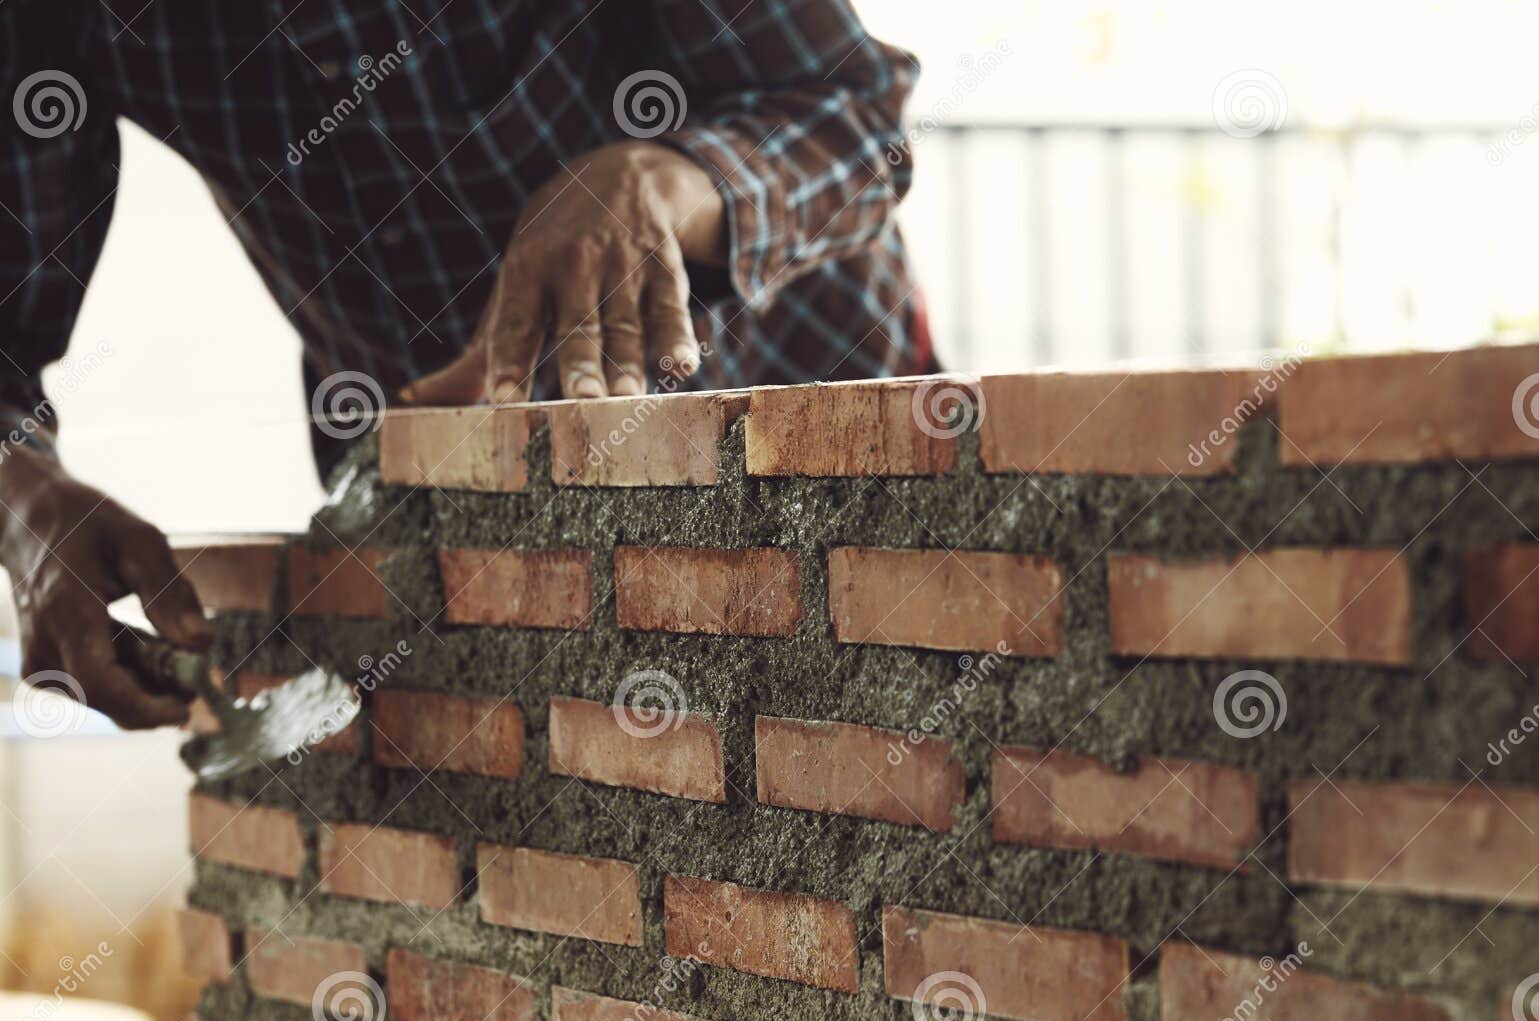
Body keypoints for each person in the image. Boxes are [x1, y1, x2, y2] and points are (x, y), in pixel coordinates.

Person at [0, 1, 930, 729]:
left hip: (811, 437)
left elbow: (855, 114)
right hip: (439, 516)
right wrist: (23, 495)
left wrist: (670, 181)